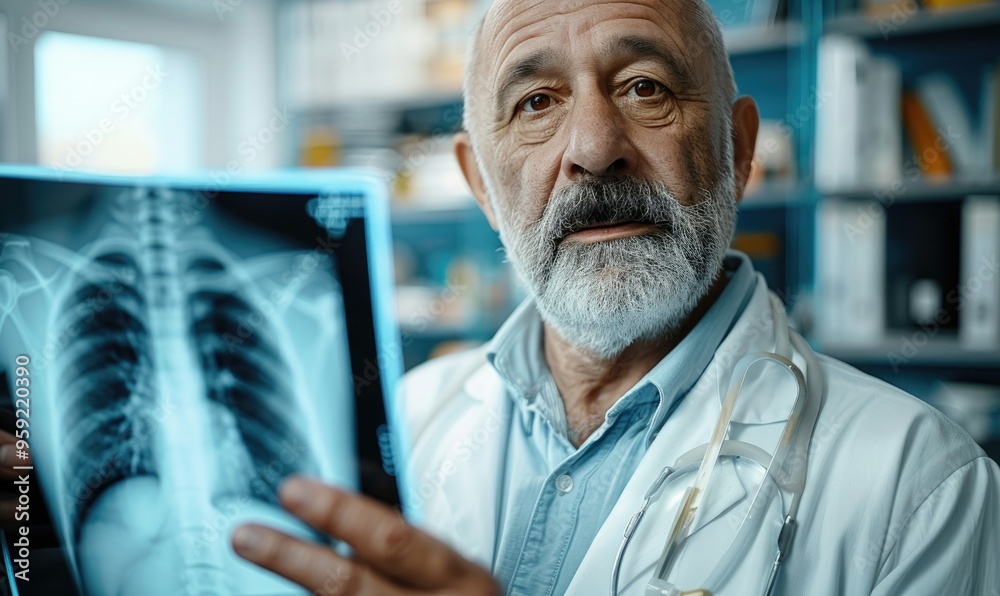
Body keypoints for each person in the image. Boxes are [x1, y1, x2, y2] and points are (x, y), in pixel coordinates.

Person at [231, 0, 1000, 594]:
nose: (595, 149)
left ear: (738, 152)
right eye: (536, 103)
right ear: (480, 187)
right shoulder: (410, 416)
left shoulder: (922, 486)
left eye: (645, 88)